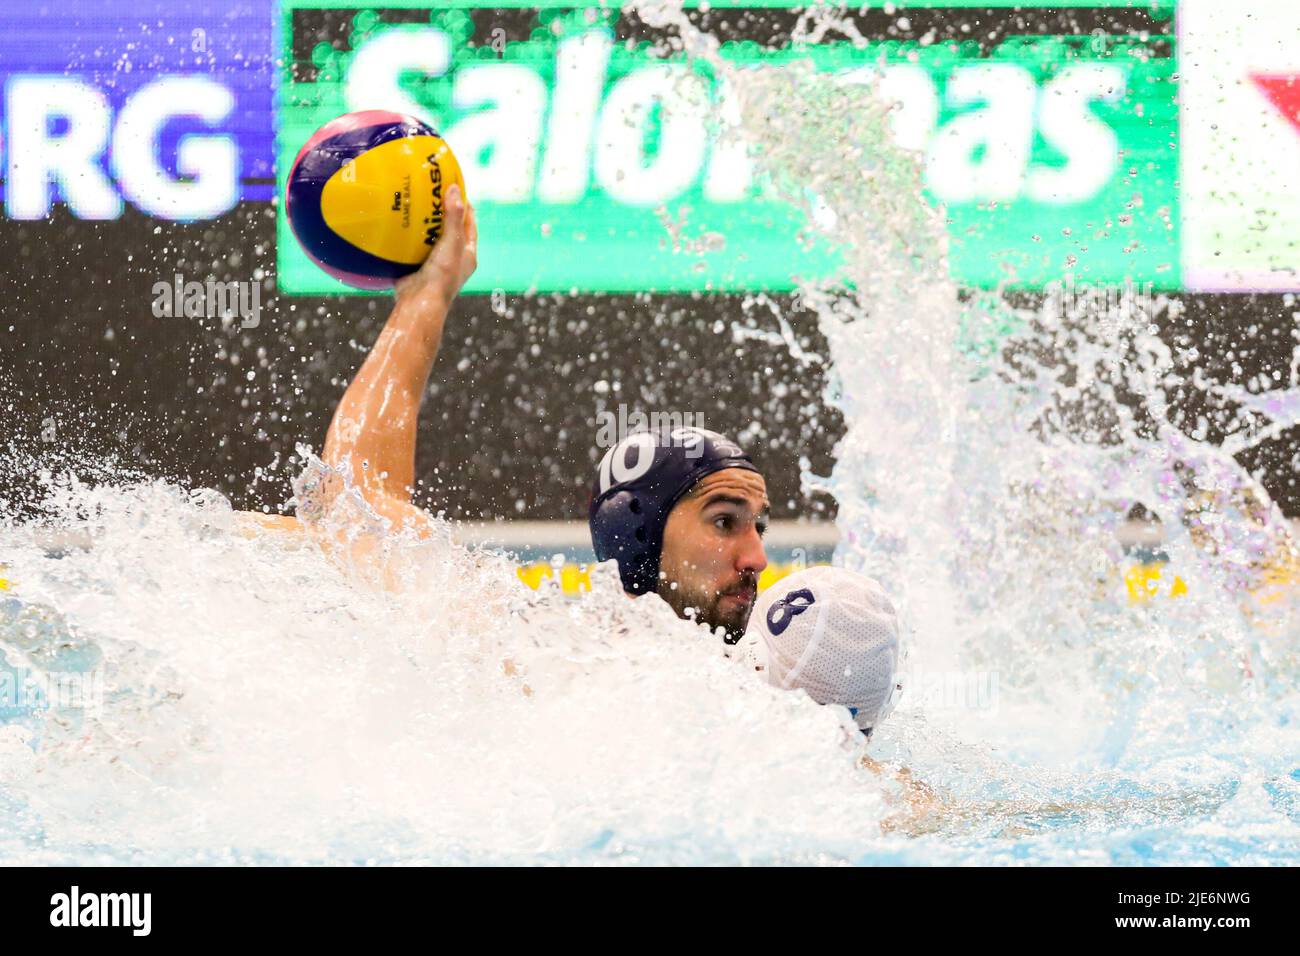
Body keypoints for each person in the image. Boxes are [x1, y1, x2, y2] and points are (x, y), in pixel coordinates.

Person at [304, 183, 772, 640]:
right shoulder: (550, 659)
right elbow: (356, 515)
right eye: (725, 522)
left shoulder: (786, 651)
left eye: (760, 526)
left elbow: (355, 519)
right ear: (637, 537)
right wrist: (427, 295)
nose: (758, 559)